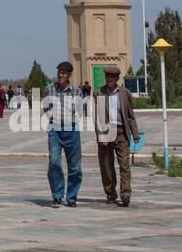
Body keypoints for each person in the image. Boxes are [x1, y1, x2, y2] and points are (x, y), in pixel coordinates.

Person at [94, 65, 139, 207]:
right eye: (108, 77)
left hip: (121, 133)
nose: (110, 79)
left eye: (113, 77)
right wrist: (101, 135)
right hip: (106, 132)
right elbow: (98, 117)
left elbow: (130, 115)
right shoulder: (99, 93)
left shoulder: (125, 93)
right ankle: (110, 193)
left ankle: (125, 193)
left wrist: (135, 134)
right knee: (106, 166)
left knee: (124, 165)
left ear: (117, 79)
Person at [42, 62, 83, 207]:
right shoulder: (49, 89)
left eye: (64, 73)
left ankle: (71, 197)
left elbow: (80, 111)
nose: (61, 75)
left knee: (75, 167)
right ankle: (57, 195)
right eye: (59, 72)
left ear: (69, 75)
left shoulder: (77, 91)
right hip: (55, 131)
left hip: (72, 131)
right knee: (54, 162)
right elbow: (46, 108)